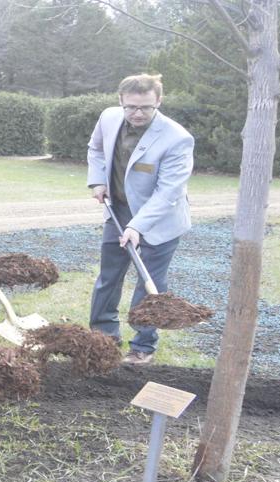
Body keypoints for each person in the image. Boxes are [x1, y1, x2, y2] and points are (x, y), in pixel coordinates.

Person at [86, 73, 193, 365]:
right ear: (121, 101)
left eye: (146, 107)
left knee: (150, 282)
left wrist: (137, 226)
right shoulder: (109, 118)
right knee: (109, 275)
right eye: (131, 106)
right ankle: (103, 337)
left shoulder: (177, 138)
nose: (137, 113)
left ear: (158, 101)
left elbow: (167, 193)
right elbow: (95, 149)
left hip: (161, 218)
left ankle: (142, 346)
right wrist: (98, 181)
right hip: (118, 210)